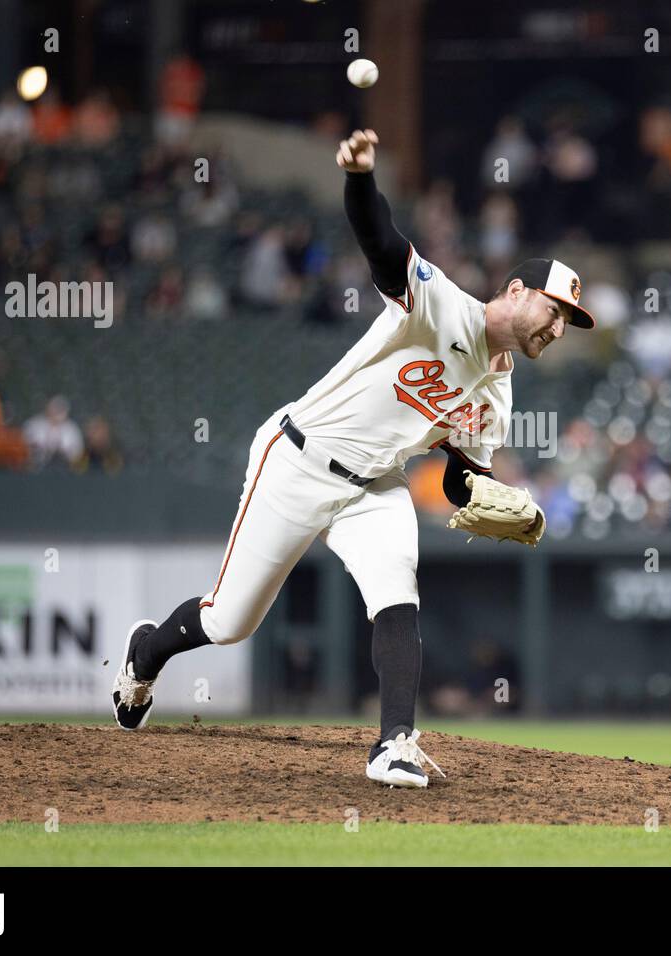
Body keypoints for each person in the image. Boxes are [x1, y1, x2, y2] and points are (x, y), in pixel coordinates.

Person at [111, 129, 595, 788]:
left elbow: (459, 472)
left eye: (568, 320)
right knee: (229, 621)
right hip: (299, 458)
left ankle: (394, 742)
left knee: (396, 592)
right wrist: (361, 179)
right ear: (515, 291)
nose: (558, 326)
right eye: (555, 307)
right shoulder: (442, 305)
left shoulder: (500, 393)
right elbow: (383, 245)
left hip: (375, 487)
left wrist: (481, 498)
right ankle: (147, 651)